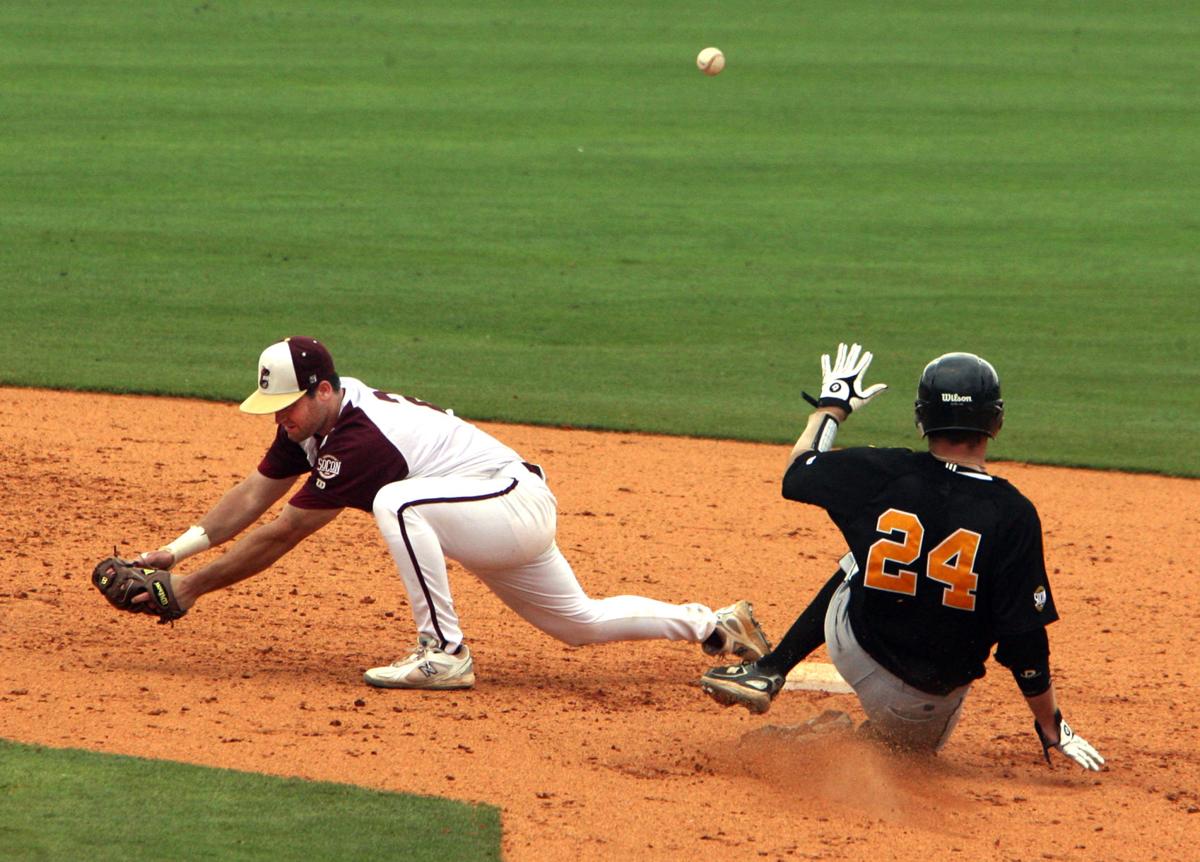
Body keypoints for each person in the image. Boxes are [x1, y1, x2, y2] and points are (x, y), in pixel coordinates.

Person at [133, 336, 771, 690]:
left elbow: (287, 530)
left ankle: (444, 652)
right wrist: (174, 554)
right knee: (579, 623)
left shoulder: (360, 436)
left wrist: (186, 591)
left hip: (507, 502)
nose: (281, 418)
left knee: (395, 501)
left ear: (324, 391)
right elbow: (252, 496)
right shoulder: (313, 427)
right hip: (485, 514)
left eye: (291, 405)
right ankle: (713, 626)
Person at [700, 343, 1103, 770]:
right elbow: (1025, 643)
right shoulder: (1013, 514)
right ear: (996, 422)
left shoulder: (885, 472)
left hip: (855, 647)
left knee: (867, 554)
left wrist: (833, 406)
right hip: (921, 706)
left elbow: (799, 472)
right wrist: (1051, 724)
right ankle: (859, 747)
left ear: (920, 420)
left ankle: (771, 668)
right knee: (906, 751)